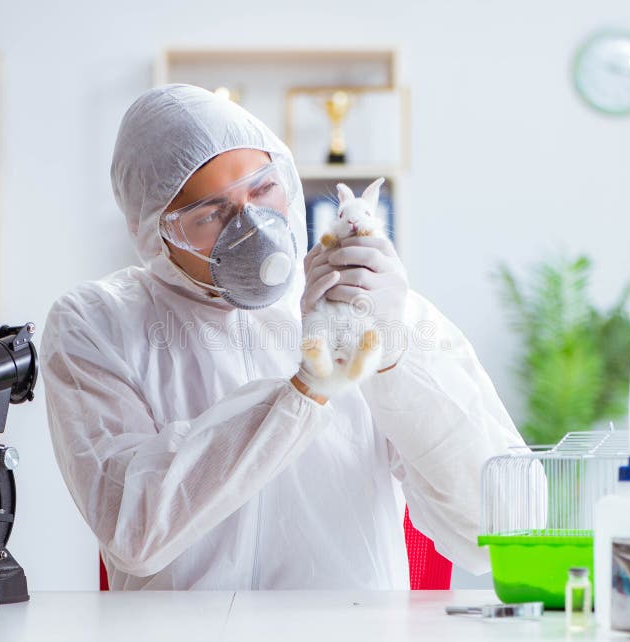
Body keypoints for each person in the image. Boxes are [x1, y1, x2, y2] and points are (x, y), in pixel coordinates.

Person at [40, 84, 526, 591]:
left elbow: (496, 530)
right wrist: (305, 390)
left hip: (349, 626)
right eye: (210, 214)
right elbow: (135, 529)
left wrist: (393, 357)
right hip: (185, 627)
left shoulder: (370, 302)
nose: (251, 225)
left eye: (262, 189)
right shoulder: (97, 324)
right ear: (153, 232)